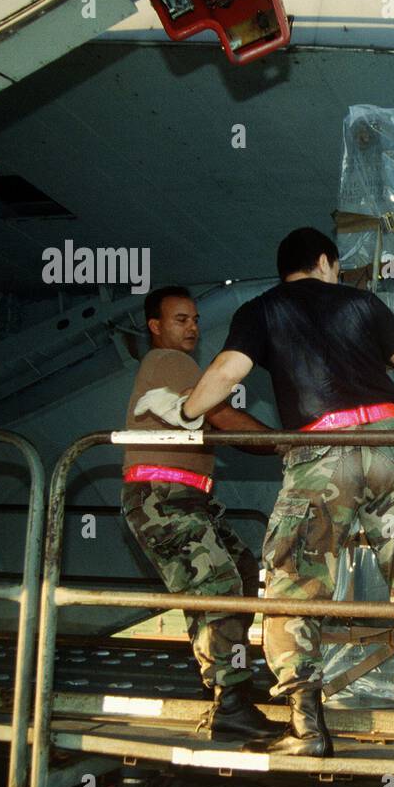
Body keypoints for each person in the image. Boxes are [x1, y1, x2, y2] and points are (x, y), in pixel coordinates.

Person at [135, 228, 394, 760]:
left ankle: (309, 728)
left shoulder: (261, 309)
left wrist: (187, 411)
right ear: (323, 261)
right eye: (334, 268)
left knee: (294, 586)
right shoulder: (362, 302)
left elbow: (227, 372)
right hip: (393, 442)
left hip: (320, 452)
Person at [122, 285, 278, 742]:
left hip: (188, 498)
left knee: (243, 575)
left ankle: (233, 686)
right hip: (161, 498)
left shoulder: (176, 364)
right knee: (219, 587)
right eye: (180, 320)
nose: (191, 327)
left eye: (193, 320)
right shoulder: (168, 362)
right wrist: (288, 443)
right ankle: (230, 704)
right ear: (155, 327)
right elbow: (222, 417)